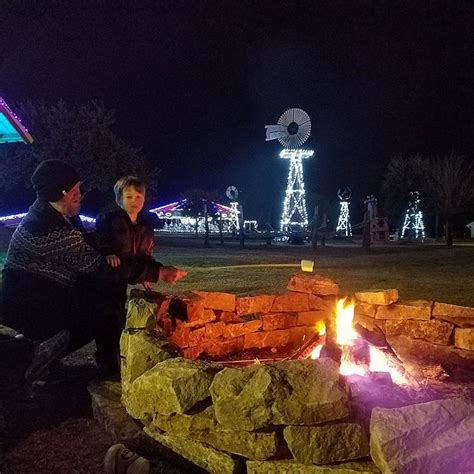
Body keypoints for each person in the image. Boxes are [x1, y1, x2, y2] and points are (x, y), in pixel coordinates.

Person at [0, 160, 185, 383]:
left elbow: (92, 245)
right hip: (29, 305)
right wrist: (157, 273)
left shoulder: (52, 216)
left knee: (99, 300)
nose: (82, 194)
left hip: (35, 297)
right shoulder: (52, 230)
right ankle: (36, 356)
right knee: (102, 310)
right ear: (64, 192)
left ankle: (34, 346)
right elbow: (101, 267)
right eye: (77, 189)